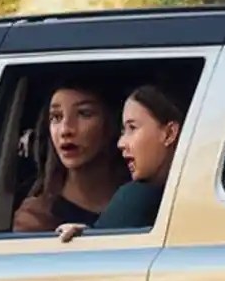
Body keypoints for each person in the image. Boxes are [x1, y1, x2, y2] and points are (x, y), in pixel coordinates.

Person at [55, 84, 184, 242]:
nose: (121, 143)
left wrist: (95, 238)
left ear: (169, 133)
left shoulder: (137, 196)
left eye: (132, 128)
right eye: (123, 131)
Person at [12, 83, 130, 232]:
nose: (65, 130)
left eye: (84, 114)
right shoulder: (37, 218)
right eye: (56, 117)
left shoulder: (145, 201)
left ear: (113, 123)